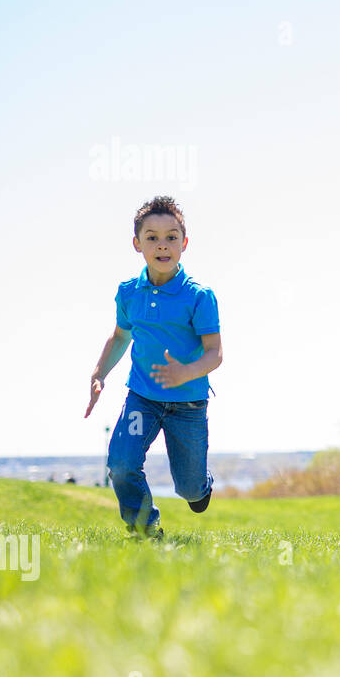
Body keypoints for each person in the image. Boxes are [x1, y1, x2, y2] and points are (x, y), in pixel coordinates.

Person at [85, 196, 222, 541]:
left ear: (184, 243)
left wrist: (183, 373)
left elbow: (215, 353)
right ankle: (146, 529)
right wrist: (99, 373)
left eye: (171, 237)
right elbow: (119, 337)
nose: (163, 245)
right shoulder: (129, 293)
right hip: (142, 399)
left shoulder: (199, 296)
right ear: (137, 244)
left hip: (188, 404)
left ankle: (200, 487)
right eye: (152, 237)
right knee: (121, 463)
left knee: (189, 490)